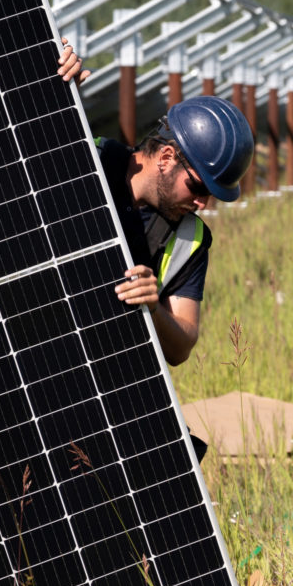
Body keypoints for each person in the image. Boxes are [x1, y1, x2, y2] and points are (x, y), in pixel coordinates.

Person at [55, 41, 253, 367]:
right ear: (165, 157)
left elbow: (182, 345)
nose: (202, 204)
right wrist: (51, 98)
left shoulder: (190, 238)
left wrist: (153, 308)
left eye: (212, 196)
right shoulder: (89, 159)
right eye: (197, 187)